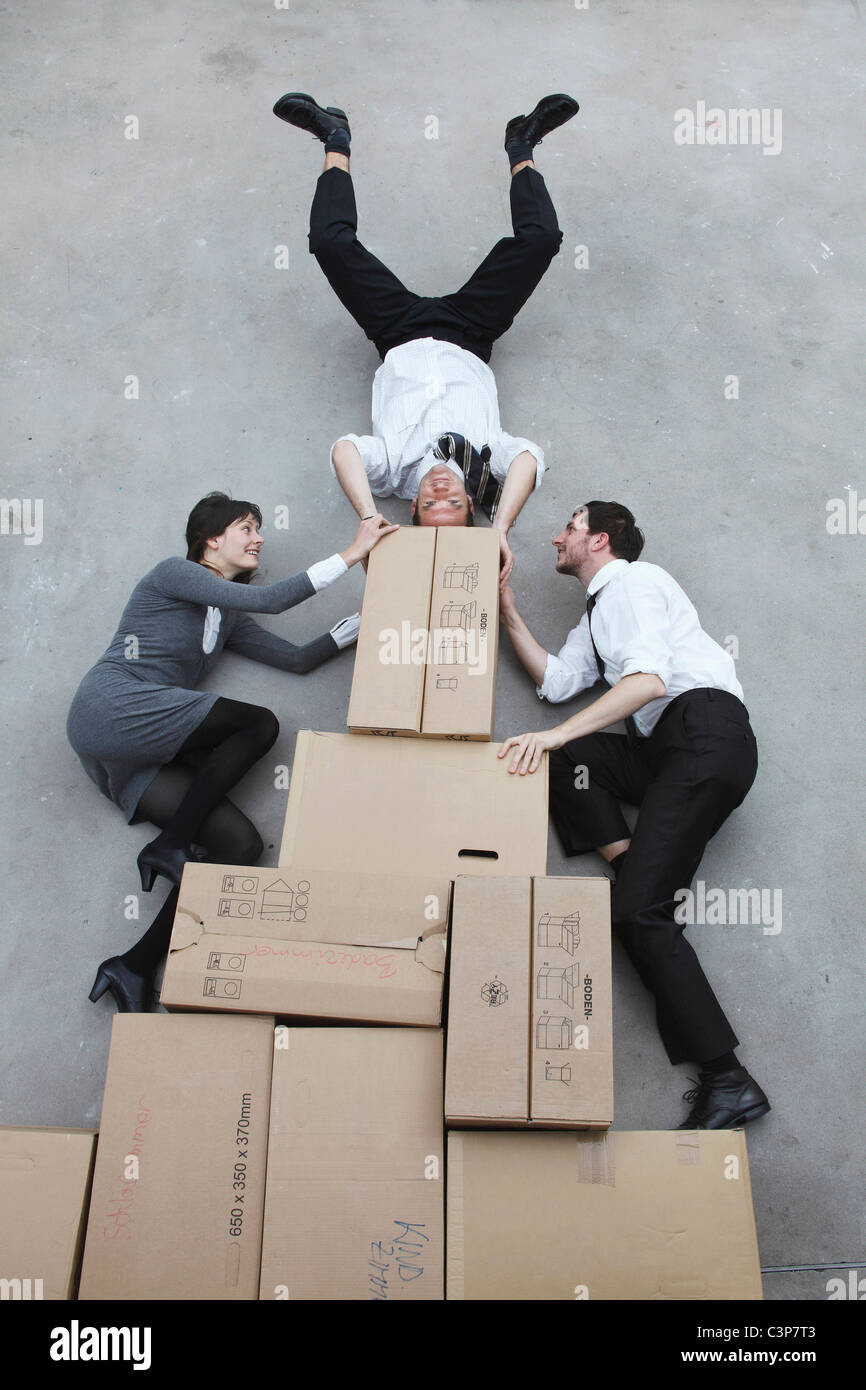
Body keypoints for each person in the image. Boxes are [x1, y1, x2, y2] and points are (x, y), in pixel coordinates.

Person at [497, 501, 771, 1130]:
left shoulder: (635, 584)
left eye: (568, 526)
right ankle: (632, 870)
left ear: (598, 539)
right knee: (568, 761)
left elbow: (647, 682)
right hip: (666, 749)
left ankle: (729, 1080)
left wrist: (556, 734)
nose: (555, 537)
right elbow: (559, 681)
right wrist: (508, 611)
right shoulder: (598, 614)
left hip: (704, 733)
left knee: (637, 912)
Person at [67, 491, 396, 1012]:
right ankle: (171, 844)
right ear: (211, 539)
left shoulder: (226, 618)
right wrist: (354, 552)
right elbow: (272, 599)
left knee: (238, 848)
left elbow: (295, 659)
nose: (258, 537)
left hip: (142, 758)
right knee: (258, 725)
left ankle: (133, 963)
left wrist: (369, 618)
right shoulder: (174, 574)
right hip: (111, 705)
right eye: (246, 527)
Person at [273, 91, 580, 584]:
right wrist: (498, 527)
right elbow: (530, 458)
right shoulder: (488, 465)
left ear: (412, 504)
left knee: (330, 243)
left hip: (396, 329)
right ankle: (522, 144)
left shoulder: (390, 471)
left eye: (431, 503)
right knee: (542, 240)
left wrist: (368, 517)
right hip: (471, 330)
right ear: (468, 502)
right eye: (454, 503)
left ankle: (334, 137)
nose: (441, 489)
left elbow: (343, 450)